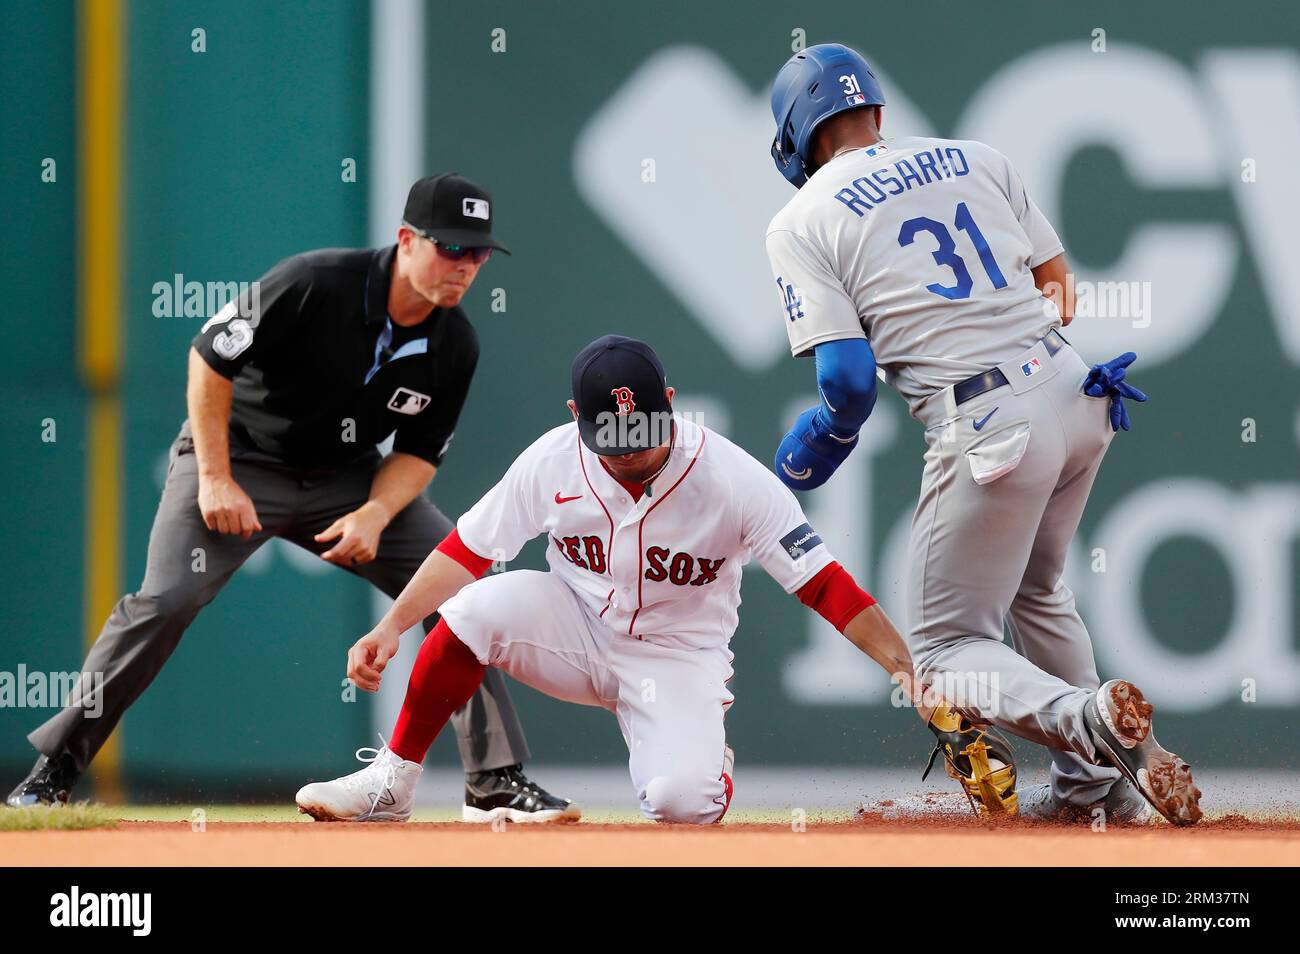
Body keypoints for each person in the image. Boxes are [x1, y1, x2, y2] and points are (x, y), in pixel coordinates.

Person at [9, 173, 576, 823]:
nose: (466, 266)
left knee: (461, 593)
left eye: (478, 254)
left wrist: (375, 511)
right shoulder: (315, 281)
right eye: (452, 248)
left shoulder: (455, 342)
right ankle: (54, 771)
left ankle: (495, 779)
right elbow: (208, 360)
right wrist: (218, 477)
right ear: (405, 241)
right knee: (166, 599)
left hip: (347, 479)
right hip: (239, 457)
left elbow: (418, 454)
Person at [294, 335, 996, 824]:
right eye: (614, 444)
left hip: (677, 655)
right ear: (578, 420)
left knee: (679, 804)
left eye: (646, 435)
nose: (633, 457)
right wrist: (388, 629)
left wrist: (909, 671)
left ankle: (702, 757)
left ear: (668, 399)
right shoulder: (553, 460)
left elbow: (823, 583)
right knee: (473, 610)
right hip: (572, 625)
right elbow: (466, 551)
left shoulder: (730, 478)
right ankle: (393, 782)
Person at [763, 43, 1201, 824]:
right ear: (877, 111)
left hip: (992, 422)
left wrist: (825, 438)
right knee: (1037, 589)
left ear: (797, 135)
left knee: (939, 651)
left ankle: (1087, 724)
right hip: (1077, 391)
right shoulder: (974, 155)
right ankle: (1095, 795)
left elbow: (849, 383)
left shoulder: (803, 216)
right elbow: (1058, 282)